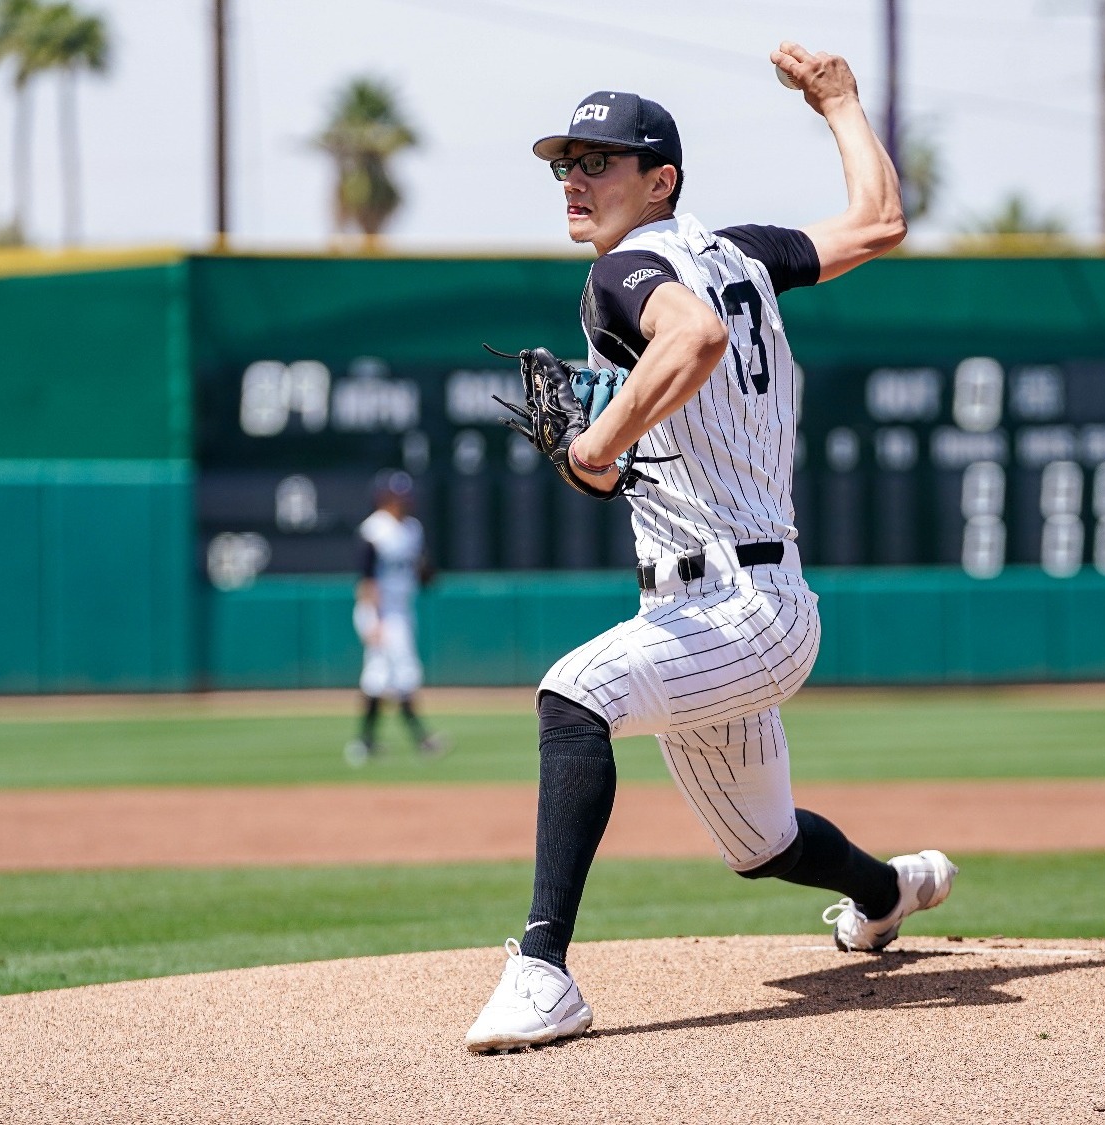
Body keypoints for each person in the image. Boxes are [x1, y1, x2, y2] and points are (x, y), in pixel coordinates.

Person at [464, 43, 956, 1054]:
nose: (574, 178)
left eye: (598, 160)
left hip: (734, 607)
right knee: (762, 845)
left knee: (572, 696)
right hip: (725, 608)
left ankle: (541, 971)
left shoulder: (627, 269)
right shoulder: (736, 253)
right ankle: (887, 892)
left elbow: (691, 340)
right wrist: (840, 103)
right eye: (565, 161)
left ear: (661, 180)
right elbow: (878, 222)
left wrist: (594, 448)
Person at [345, 470, 448, 762]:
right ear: (384, 498)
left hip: (401, 609)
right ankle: (423, 739)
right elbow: (366, 580)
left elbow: (420, 570)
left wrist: (425, 573)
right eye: (397, 495)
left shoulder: (412, 529)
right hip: (380, 612)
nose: (404, 500)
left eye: (405, 495)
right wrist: (373, 619)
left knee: (377, 678)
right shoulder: (373, 530)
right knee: (404, 672)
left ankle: (364, 744)